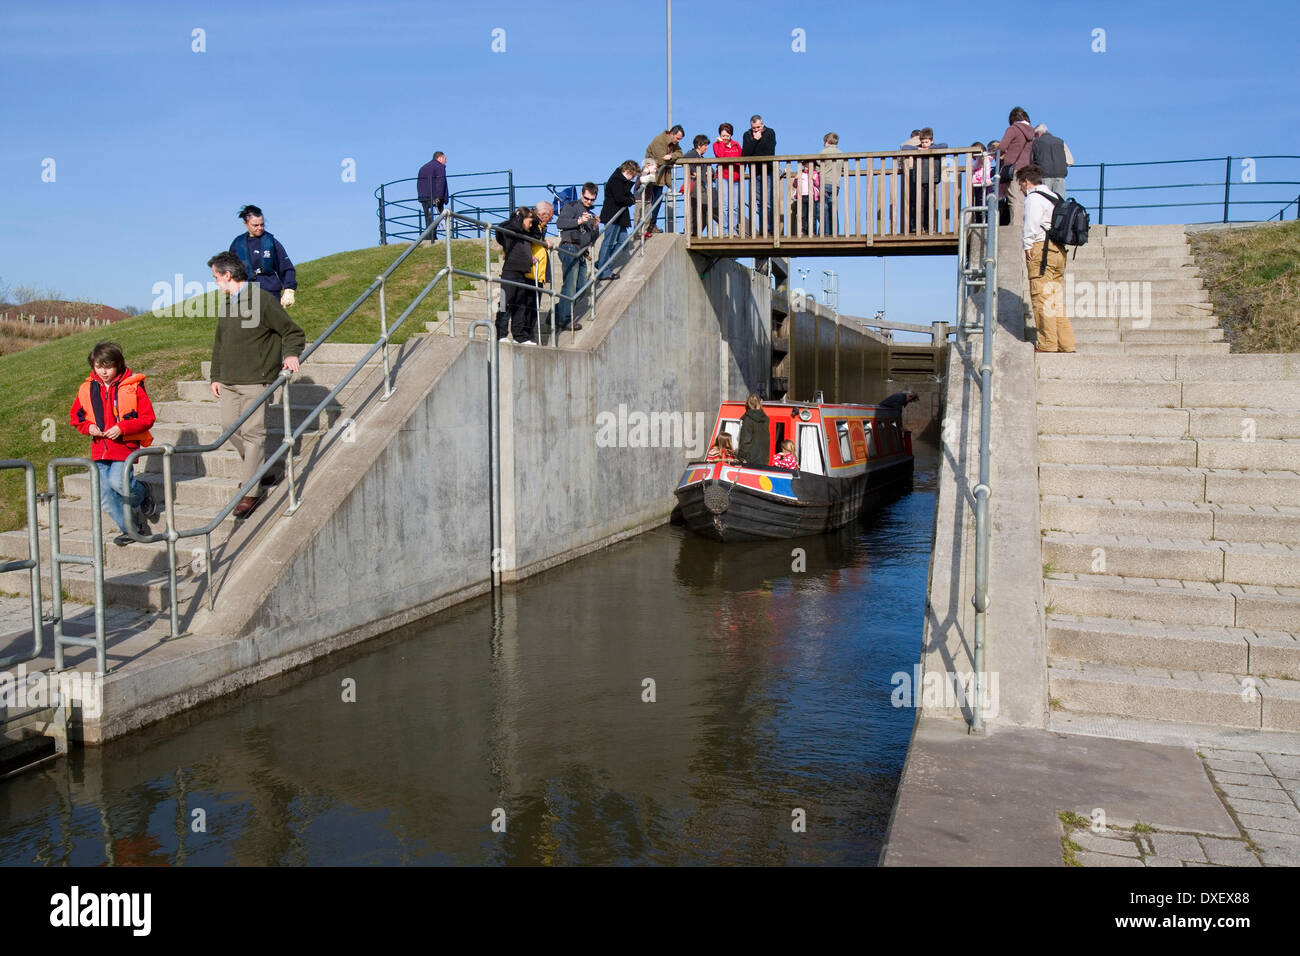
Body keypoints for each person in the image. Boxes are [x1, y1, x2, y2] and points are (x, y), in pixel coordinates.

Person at [207, 251, 306, 518]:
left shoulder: (261, 299)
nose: (215, 282)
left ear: (227, 275)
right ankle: (262, 469)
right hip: (228, 381)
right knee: (229, 428)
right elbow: (219, 343)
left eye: (216, 277)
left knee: (253, 434)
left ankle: (250, 492)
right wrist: (215, 375)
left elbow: (292, 331)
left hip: (255, 379)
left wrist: (291, 353)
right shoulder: (228, 303)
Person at [69, 341, 158, 546]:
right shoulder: (87, 388)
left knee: (118, 483)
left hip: (124, 449)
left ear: (118, 364)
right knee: (106, 497)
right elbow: (76, 417)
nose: (103, 371)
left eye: (108, 366)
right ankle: (132, 530)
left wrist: (123, 427)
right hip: (99, 451)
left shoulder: (132, 387)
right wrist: (88, 427)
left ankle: (142, 492)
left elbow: (148, 418)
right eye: (99, 366)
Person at [1019, 165, 1076, 354]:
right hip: (1059, 252)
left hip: (1042, 250)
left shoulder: (1033, 198)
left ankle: (1047, 344)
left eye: (1020, 184)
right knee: (1055, 300)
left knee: (1041, 298)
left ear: (1026, 182)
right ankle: (1066, 344)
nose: (1020, 188)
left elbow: (1031, 225)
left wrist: (1027, 245)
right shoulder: (1055, 197)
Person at [230, 205, 297, 306]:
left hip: (270, 292)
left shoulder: (271, 242)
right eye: (255, 225)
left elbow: (286, 266)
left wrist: (289, 289)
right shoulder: (237, 244)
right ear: (246, 224)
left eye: (262, 224)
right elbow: (228, 270)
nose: (260, 228)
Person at [555, 183, 600, 332]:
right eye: (586, 198)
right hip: (569, 247)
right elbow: (559, 223)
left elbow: (592, 239)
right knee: (570, 285)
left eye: (592, 200)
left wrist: (595, 226)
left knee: (581, 288)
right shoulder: (572, 205)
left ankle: (555, 315)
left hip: (582, 252)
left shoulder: (590, 214)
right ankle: (564, 319)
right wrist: (579, 221)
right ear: (582, 194)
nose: (589, 202)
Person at [495, 207, 539, 343]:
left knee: (521, 305)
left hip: (522, 273)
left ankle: (519, 336)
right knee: (504, 303)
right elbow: (503, 228)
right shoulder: (509, 230)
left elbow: (537, 233)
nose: (531, 225)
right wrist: (518, 216)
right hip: (509, 272)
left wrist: (532, 218)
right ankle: (501, 335)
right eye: (529, 221)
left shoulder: (527, 233)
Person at [597, 160, 639, 280]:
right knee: (609, 243)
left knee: (623, 243)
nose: (632, 178)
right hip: (613, 216)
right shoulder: (616, 180)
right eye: (632, 175)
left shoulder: (621, 180)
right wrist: (631, 200)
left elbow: (626, 195)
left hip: (620, 217)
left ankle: (602, 263)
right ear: (627, 171)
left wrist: (630, 198)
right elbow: (620, 198)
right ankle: (603, 269)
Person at [903, 128, 948, 233]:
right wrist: (919, 150)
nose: (924, 144)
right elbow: (905, 148)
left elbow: (945, 145)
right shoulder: (917, 148)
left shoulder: (936, 148)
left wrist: (930, 149)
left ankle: (929, 227)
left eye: (926, 142)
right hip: (919, 179)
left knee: (930, 203)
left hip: (932, 178)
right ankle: (919, 226)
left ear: (931, 140)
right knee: (920, 204)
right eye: (922, 142)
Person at [998, 108, 1036, 232]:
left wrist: (1002, 152)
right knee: (1023, 197)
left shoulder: (1013, 129)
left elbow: (1002, 146)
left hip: (1013, 167)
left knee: (1013, 197)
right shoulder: (1031, 132)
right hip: (1026, 169)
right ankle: (1024, 223)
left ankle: (1016, 224)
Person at [644, 125, 685, 232]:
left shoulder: (673, 143)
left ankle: (652, 225)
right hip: (652, 176)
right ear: (672, 134)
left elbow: (680, 153)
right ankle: (648, 225)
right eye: (678, 138)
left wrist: (671, 156)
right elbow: (661, 160)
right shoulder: (659, 141)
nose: (678, 141)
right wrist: (670, 157)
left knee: (657, 201)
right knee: (652, 201)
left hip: (660, 177)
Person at [741, 115, 777, 234]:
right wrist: (755, 140)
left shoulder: (770, 132)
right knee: (758, 202)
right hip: (754, 172)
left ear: (762, 124)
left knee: (768, 202)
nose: (756, 130)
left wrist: (755, 147)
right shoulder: (747, 135)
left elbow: (768, 151)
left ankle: (769, 229)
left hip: (768, 171)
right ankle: (763, 229)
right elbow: (745, 154)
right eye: (754, 128)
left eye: (758, 127)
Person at [680, 135, 717, 236]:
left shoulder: (701, 157)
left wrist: (711, 174)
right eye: (705, 145)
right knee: (700, 208)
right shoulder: (691, 154)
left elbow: (710, 170)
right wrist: (694, 172)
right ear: (699, 145)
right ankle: (692, 231)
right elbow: (684, 160)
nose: (706, 147)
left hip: (702, 185)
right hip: (696, 185)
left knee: (703, 209)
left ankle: (695, 231)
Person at [713, 123, 744, 236]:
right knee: (724, 205)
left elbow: (740, 160)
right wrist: (721, 143)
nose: (725, 138)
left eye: (727, 136)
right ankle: (725, 230)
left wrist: (729, 160)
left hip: (736, 177)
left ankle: (733, 230)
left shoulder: (736, 145)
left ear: (731, 135)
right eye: (723, 136)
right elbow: (720, 157)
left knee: (735, 206)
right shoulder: (716, 144)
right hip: (723, 177)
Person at [1031, 124, 1072, 199]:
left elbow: (1031, 160)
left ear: (1038, 133)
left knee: (1046, 201)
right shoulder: (1060, 141)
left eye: (1035, 135)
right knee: (1060, 202)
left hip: (1044, 175)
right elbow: (1070, 161)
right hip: (1060, 175)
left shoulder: (1036, 143)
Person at [416, 151, 449, 240]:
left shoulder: (423, 167)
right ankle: (432, 235)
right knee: (441, 215)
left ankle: (430, 236)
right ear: (440, 158)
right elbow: (440, 182)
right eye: (445, 159)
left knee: (428, 217)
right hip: (434, 196)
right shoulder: (439, 167)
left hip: (423, 196)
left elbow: (419, 182)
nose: (446, 161)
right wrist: (438, 196)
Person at [818, 132, 845, 236]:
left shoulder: (822, 152)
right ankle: (835, 232)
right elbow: (842, 168)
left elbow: (817, 167)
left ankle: (825, 232)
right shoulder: (841, 154)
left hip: (824, 183)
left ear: (826, 141)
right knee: (833, 208)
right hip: (835, 185)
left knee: (823, 208)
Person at [735, 394, 771, 466]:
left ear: (747, 404)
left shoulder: (748, 419)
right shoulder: (765, 419)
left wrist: (741, 458)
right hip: (764, 458)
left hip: (750, 460)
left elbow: (745, 441)